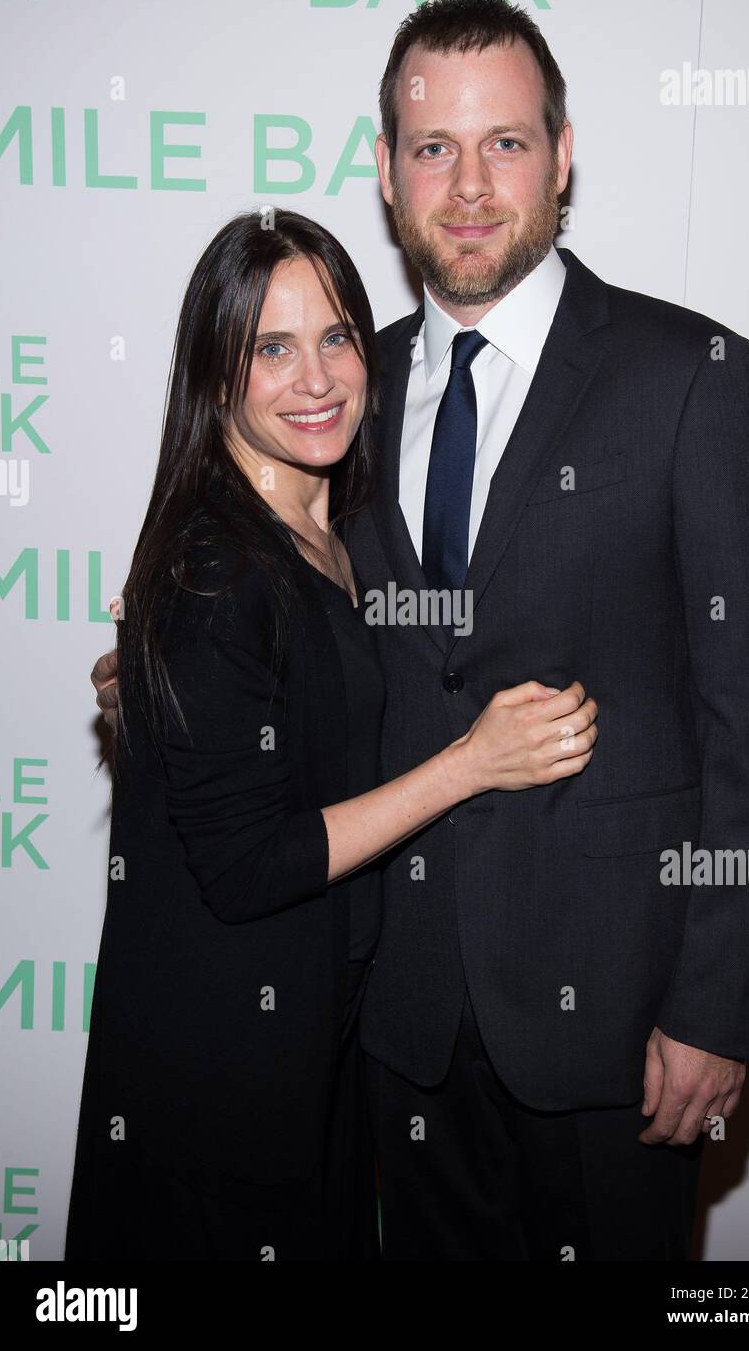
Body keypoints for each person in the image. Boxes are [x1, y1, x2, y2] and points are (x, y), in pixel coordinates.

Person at [93, 0, 749, 1261]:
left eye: (505, 143)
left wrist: (717, 1007)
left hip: (616, 1028)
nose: (469, 186)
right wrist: (162, 680)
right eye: (433, 148)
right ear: (386, 172)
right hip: (393, 1020)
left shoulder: (693, 378)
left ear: (563, 154)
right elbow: (299, 636)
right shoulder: (337, 391)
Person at [68, 208, 598, 1262]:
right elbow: (247, 864)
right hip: (218, 1082)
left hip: (313, 1052)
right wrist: (469, 765)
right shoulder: (213, 565)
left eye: (336, 337)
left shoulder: (335, 526)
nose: (314, 378)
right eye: (270, 347)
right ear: (217, 373)